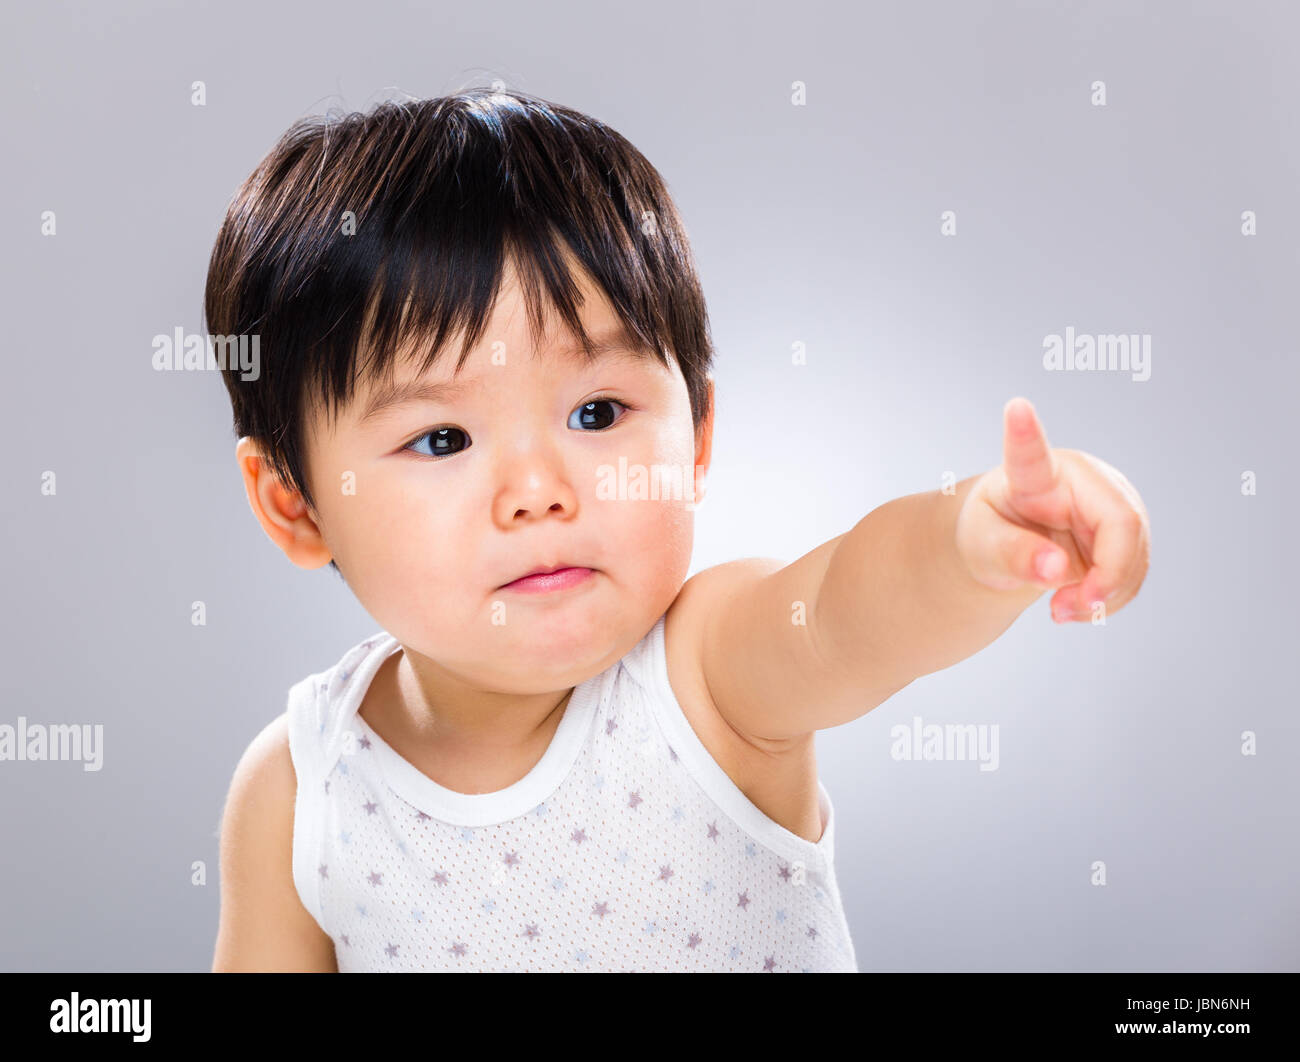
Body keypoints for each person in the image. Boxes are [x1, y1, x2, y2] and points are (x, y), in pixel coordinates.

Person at [208, 88, 1150, 972]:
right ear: (294, 502)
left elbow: (846, 609)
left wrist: (965, 545)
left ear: (695, 437)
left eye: (597, 412)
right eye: (442, 437)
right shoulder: (305, 787)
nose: (538, 493)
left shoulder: (710, 677)